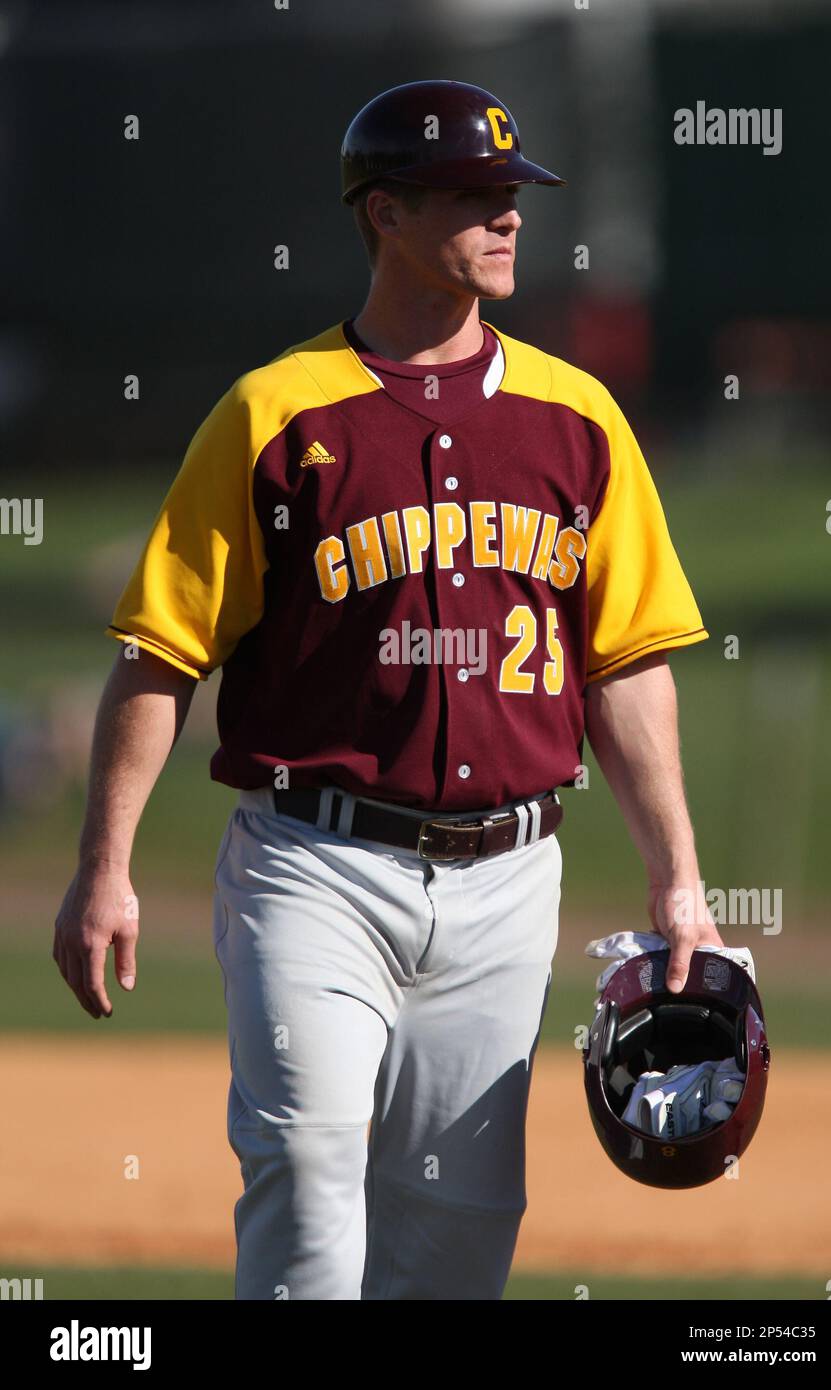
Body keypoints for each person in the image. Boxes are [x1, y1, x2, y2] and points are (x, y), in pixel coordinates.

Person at [53, 80, 723, 1300]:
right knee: (307, 1177)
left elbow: (625, 664)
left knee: (456, 1236)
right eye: (473, 195)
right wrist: (106, 867)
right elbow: (160, 654)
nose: (506, 217)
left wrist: (678, 878)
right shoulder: (271, 415)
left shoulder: (577, 419)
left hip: (511, 881)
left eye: (511, 196)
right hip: (314, 866)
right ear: (384, 213)